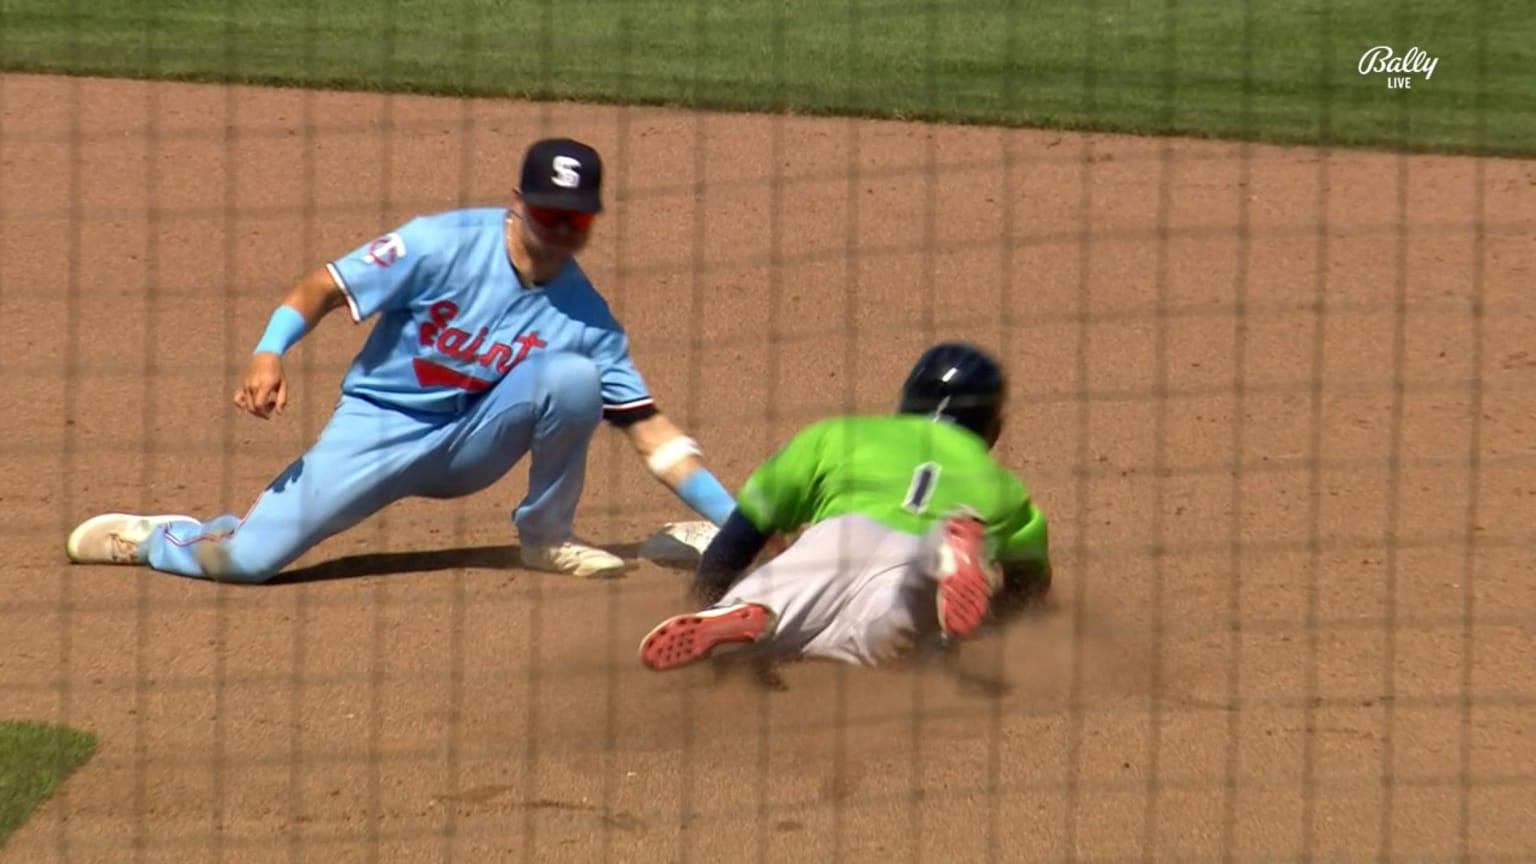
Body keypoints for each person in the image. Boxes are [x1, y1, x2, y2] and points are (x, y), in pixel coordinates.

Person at [65, 137, 738, 582]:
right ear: (517, 203)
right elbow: (322, 287)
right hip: (377, 426)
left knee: (574, 378)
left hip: (471, 442)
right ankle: (157, 538)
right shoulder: (437, 243)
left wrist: (742, 526)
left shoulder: (583, 314)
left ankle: (544, 535)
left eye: (577, 221)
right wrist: (269, 351)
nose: (561, 232)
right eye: (547, 214)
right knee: (247, 563)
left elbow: (654, 434)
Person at [637, 341, 1054, 672]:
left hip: (842, 535)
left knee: (779, 605)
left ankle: (738, 610)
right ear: (991, 425)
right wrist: (987, 631)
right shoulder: (1006, 488)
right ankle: (933, 562)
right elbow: (1027, 591)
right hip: (912, 560)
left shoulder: (838, 434)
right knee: (887, 631)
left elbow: (744, 532)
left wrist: (702, 597)